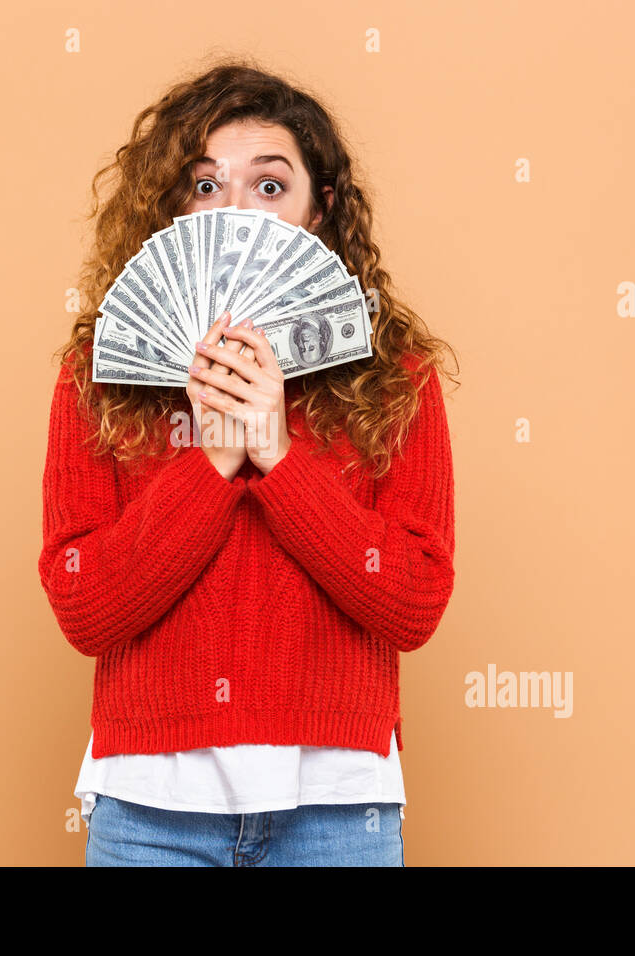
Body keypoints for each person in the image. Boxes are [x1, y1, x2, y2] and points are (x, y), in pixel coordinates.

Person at [39, 59, 460, 866]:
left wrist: (276, 453)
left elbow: (412, 601)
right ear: (168, 210)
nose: (235, 212)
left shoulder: (395, 377)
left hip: (339, 811)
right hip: (147, 809)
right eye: (204, 186)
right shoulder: (100, 371)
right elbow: (86, 607)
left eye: (271, 186)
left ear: (320, 211)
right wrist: (215, 458)